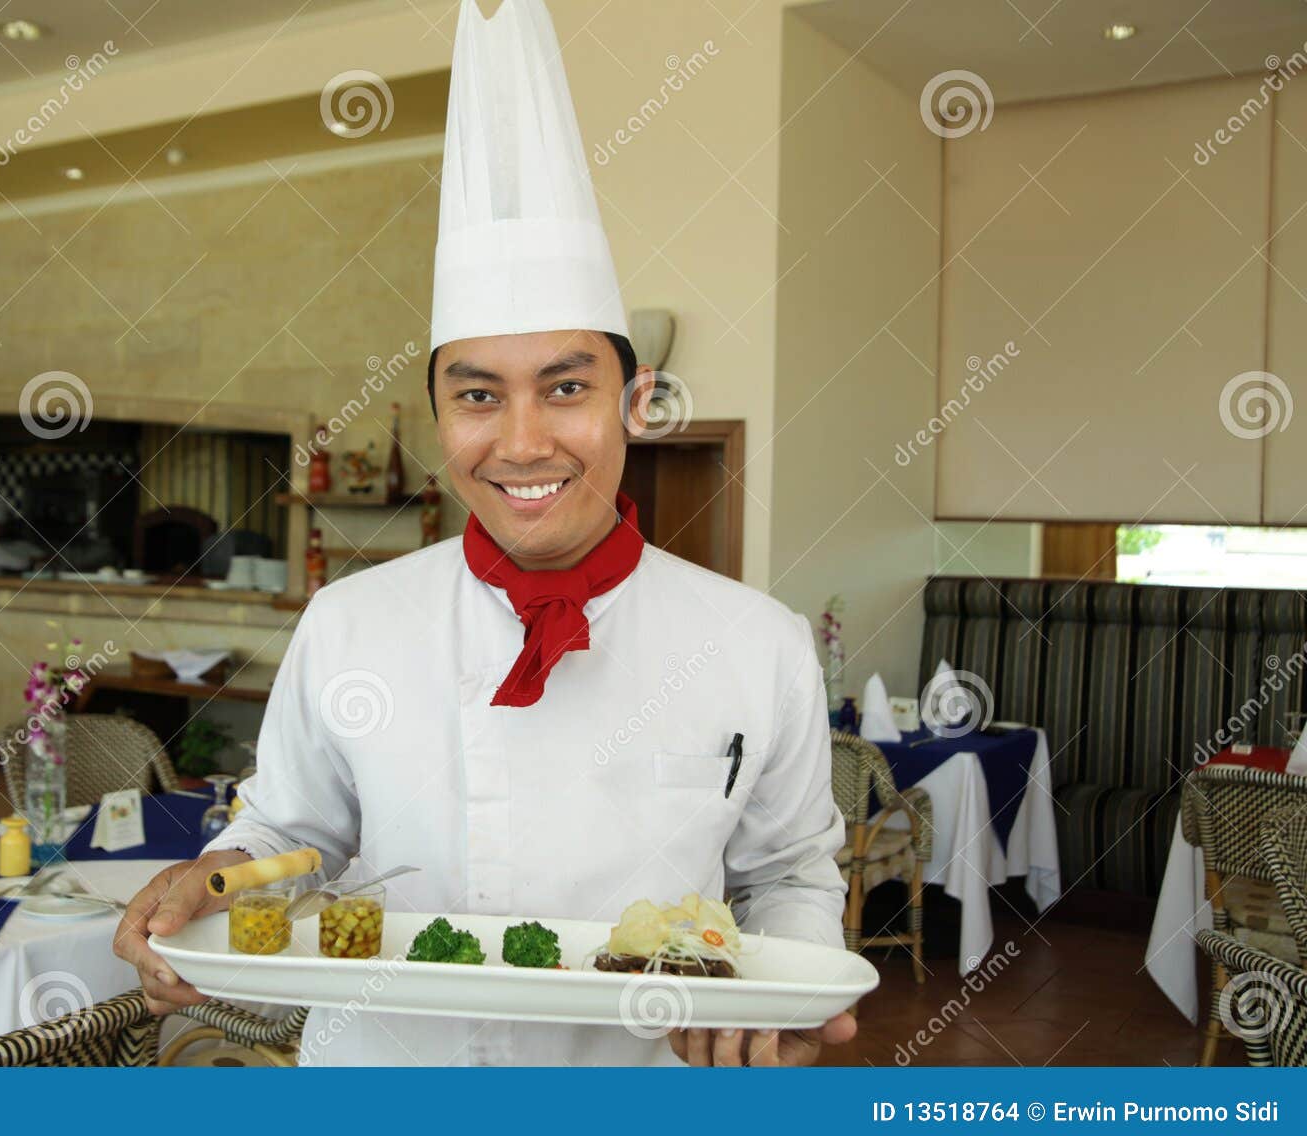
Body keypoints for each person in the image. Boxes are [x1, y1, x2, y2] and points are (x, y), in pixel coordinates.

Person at [116, 0, 853, 1067]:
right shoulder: (351, 619)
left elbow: (788, 875)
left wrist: (776, 996)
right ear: (433, 417)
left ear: (633, 401)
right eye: (476, 395)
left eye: (565, 386)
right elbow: (291, 837)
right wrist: (210, 873)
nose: (521, 440)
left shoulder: (756, 639)